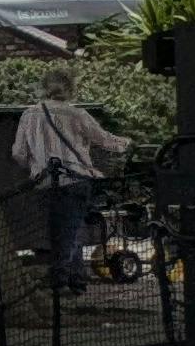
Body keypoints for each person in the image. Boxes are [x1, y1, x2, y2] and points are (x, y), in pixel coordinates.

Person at [12, 95, 132, 286]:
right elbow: (104, 140)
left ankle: (71, 276)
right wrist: (126, 143)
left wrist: (37, 167)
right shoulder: (77, 114)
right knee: (73, 228)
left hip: (46, 183)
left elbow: (18, 153)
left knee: (59, 230)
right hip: (76, 180)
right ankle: (69, 277)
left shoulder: (28, 115)